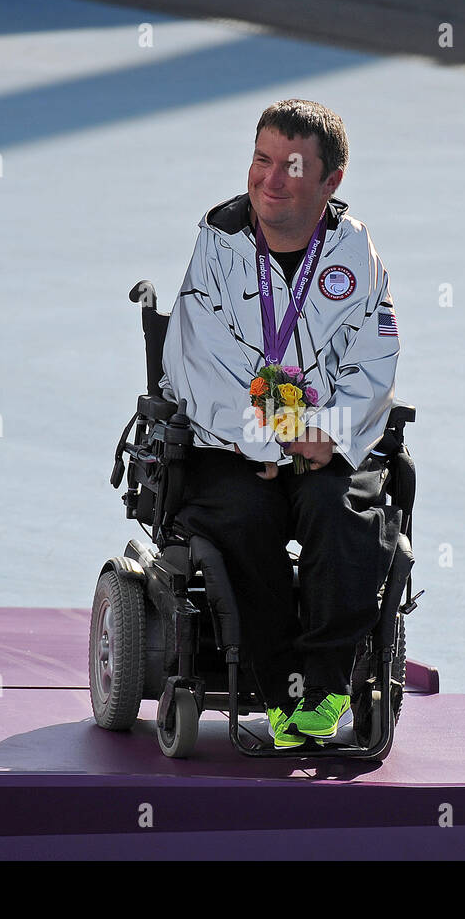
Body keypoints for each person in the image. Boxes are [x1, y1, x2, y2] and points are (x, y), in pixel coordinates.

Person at [159, 99, 402, 747]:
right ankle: (278, 686)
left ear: (330, 184)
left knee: (343, 510)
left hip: (328, 443)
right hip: (232, 444)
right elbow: (198, 368)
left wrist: (325, 435)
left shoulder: (356, 257)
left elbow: (374, 366)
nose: (269, 179)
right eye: (260, 160)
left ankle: (321, 689)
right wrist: (269, 438)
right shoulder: (218, 244)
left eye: (290, 167)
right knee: (239, 515)